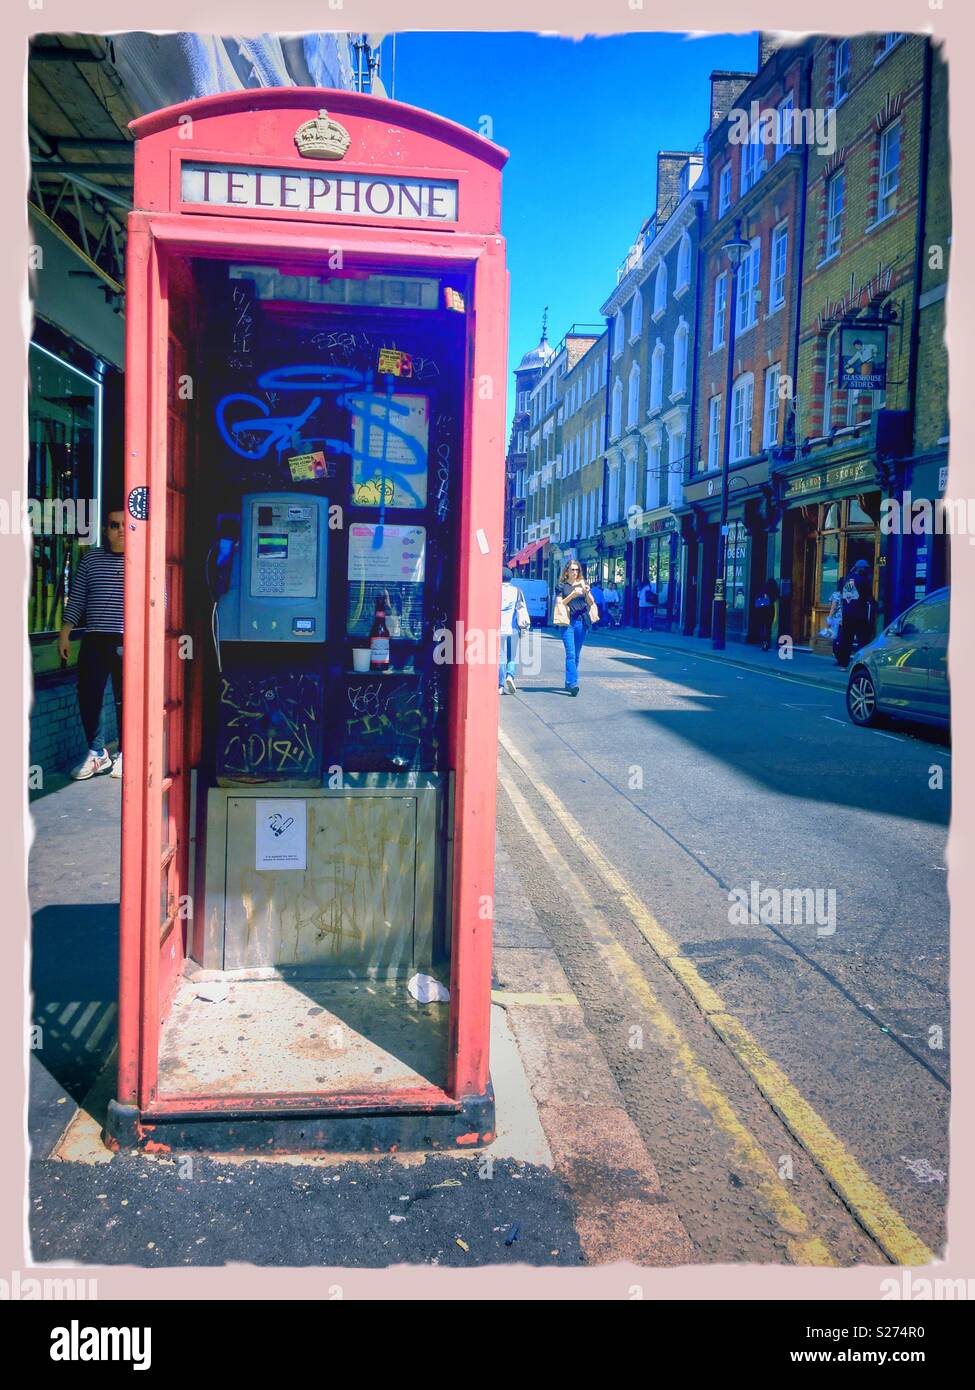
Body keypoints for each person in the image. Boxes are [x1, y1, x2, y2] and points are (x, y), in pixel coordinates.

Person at [58, 507, 126, 780]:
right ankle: (97, 753)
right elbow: (77, 599)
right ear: (105, 530)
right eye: (114, 524)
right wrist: (64, 632)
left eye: (125, 524)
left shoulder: (143, 559)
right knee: (89, 696)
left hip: (128, 640)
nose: (120, 529)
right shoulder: (91, 560)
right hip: (95, 638)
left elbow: (161, 599)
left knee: (128, 700)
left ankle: (126, 753)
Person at [556, 559, 593, 695]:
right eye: (572, 569)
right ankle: (573, 683)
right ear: (567, 571)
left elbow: (591, 602)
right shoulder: (562, 586)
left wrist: (587, 592)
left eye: (577, 570)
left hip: (581, 622)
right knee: (570, 654)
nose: (575, 572)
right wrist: (573, 594)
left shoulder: (584, 584)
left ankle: (569, 681)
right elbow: (561, 603)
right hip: (567, 623)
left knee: (576, 655)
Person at [833, 559, 876, 668]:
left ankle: (843, 663)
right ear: (861, 568)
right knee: (863, 640)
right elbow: (869, 597)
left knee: (846, 639)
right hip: (860, 614)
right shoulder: (863, 580)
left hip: (847, 613)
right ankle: (862, 663)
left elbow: (843, 596)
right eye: (865, 568)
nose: (866, 570)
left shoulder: (846, 579)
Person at [499, 565, 530, 694]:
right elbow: (521, 608)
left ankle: (500, 684)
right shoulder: (517, 591)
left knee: (499, 657)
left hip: (498, 628)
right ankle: (510, 676)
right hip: (513, 628)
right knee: (511, 655)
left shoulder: (495, 590)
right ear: (510, 578)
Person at [753, 578, 778, 652]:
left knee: (762, 628)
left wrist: (763, 602)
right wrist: (768, 602)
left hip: (762, 612)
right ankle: (767, 643)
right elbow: (772, 601)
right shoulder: (774, 593)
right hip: (770, 612)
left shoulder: (763, 590)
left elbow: (757, 603)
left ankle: (764, 643)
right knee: (768, 628)